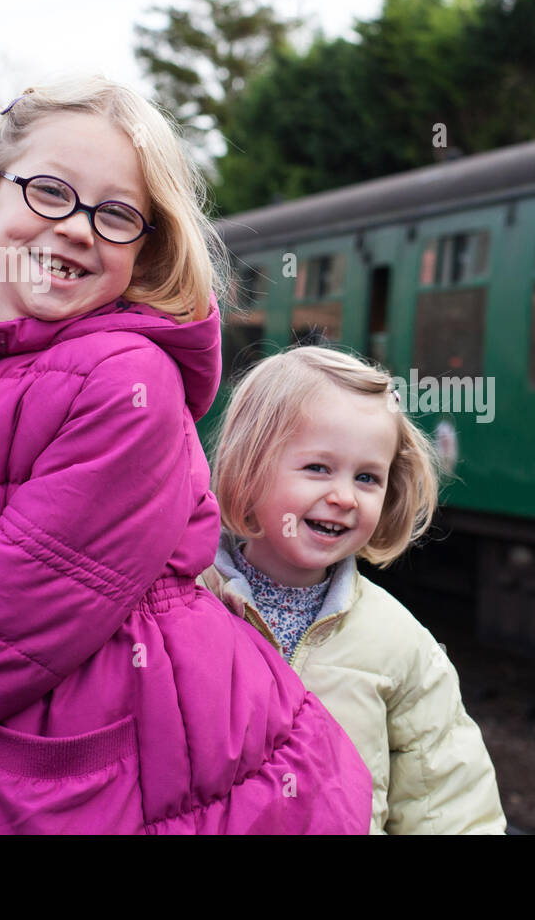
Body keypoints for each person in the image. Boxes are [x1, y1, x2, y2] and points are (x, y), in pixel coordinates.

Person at [0, 77, 371, 834]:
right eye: (49, 192)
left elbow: (25, 597)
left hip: (131, 755)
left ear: (142, 250)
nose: (76, 228)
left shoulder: (128, 382)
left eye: (116, 215)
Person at [200, 345, 506, 834]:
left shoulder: (403, 646)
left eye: (367, 477)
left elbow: (450, 806)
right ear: (248, 470)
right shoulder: (178, 607)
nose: (344, 497)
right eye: (318, 468)